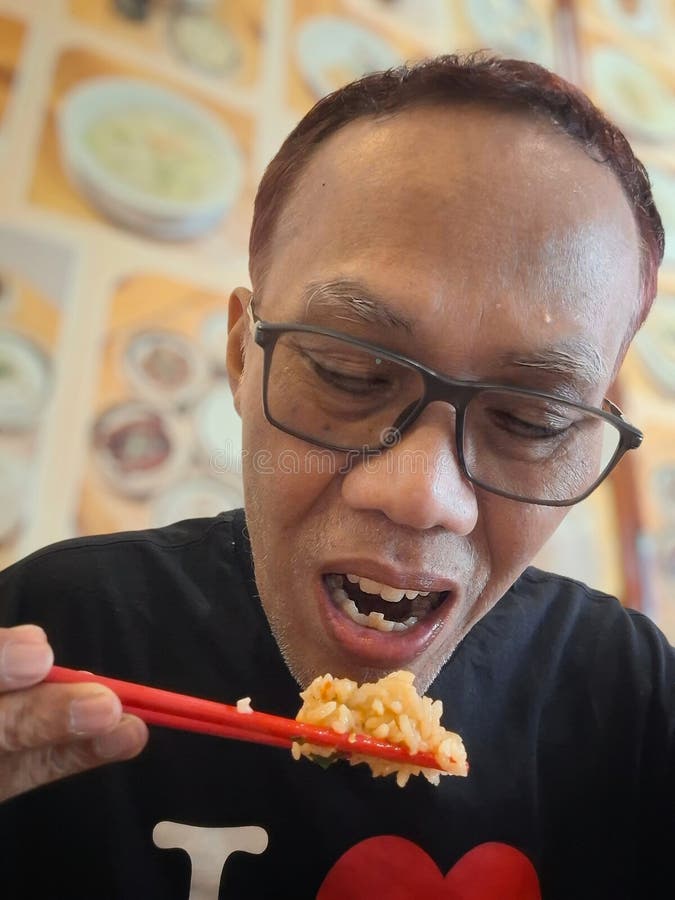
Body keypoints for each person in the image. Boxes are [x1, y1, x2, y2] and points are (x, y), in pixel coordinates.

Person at [0, 53, 672, 900]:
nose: (423, 492)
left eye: (529, 419)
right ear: (244, 355)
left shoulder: (628, 699)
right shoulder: (59, 637)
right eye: (351, 372)